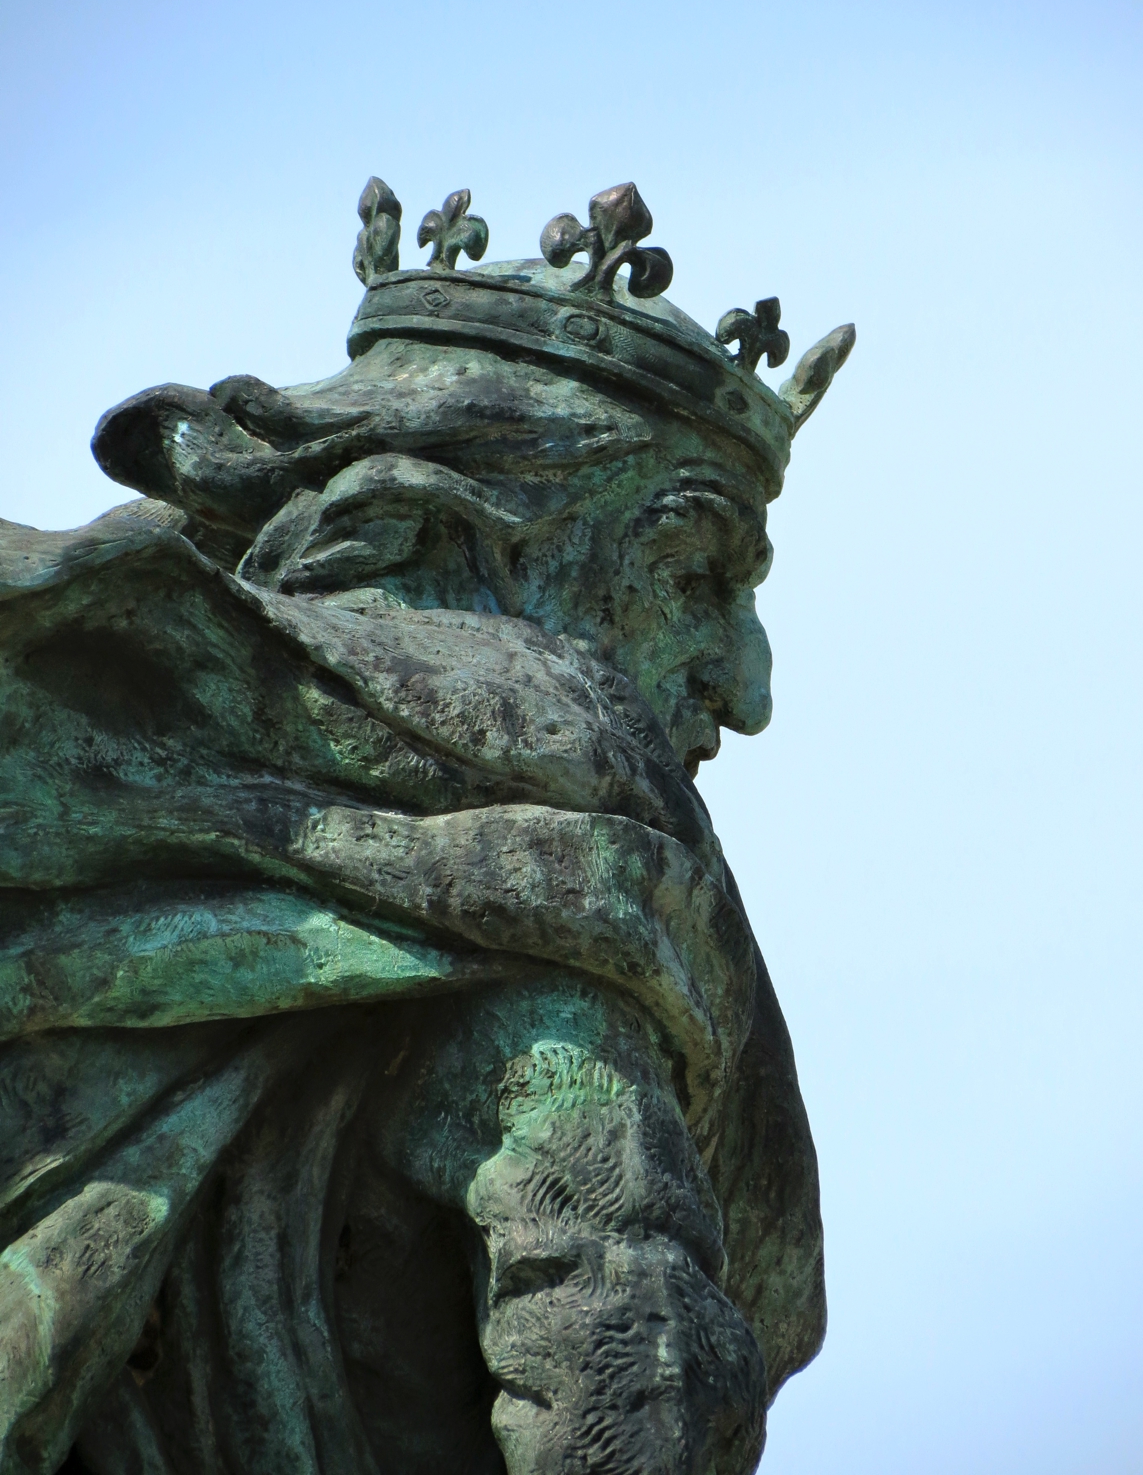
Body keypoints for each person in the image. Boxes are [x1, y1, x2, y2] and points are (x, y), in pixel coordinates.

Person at [0, 181, 852, 1475]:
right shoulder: (553, 876)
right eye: (696, 574)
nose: (745, 684)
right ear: (464, 536)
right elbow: (630, 1381)